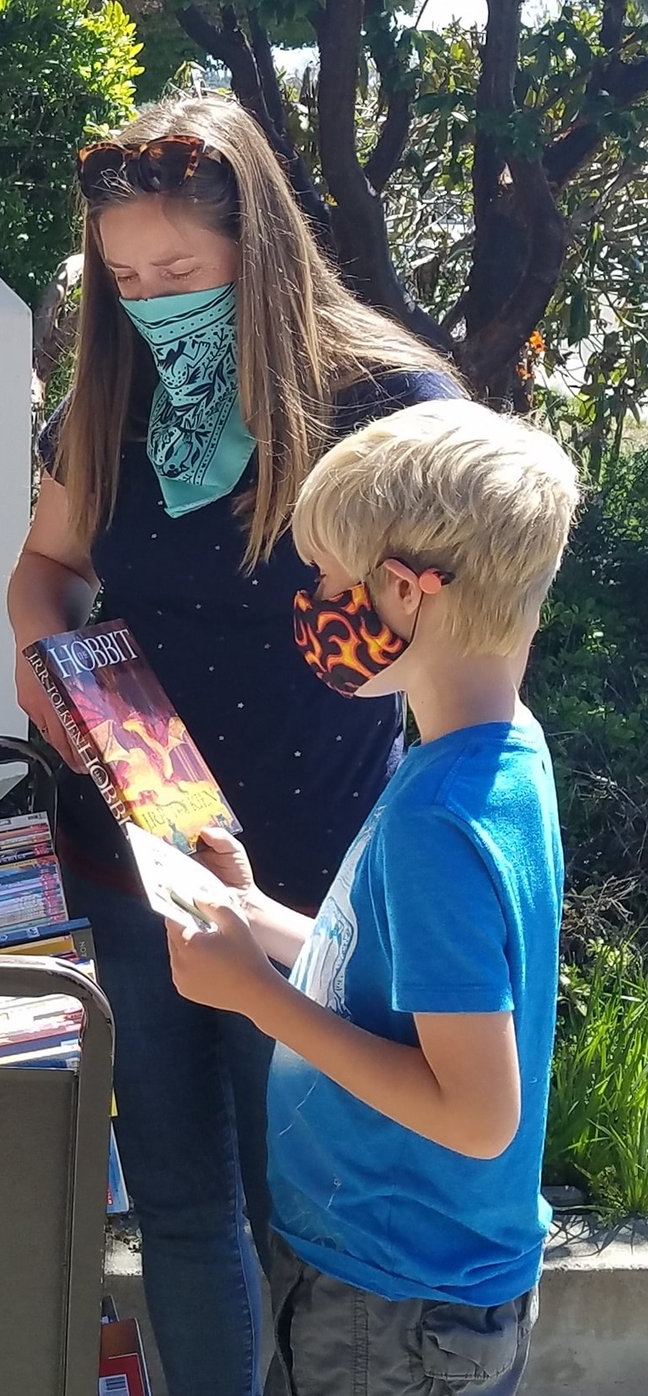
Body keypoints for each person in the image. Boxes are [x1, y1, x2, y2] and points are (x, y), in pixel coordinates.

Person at [7, 92, 462, 1396]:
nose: (150, 302)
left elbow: (456, 631)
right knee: (182, 1200)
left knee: (310, 1207)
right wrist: (51, 672)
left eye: (182, 272)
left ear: (255, 252)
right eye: (125, 276)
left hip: (314, 887)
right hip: (132, 858)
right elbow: (45, 571)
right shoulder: (109, 394)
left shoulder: (385, 400)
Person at [167, 399, 578, 1395]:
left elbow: (476, 1113)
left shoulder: (438, 818)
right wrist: (264, 923)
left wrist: (256, 1000)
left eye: (323, 580)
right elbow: (424, 979)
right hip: (403, 1283)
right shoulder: (496, 754)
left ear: (402, 593)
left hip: (392, 1304)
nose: (310, 601)